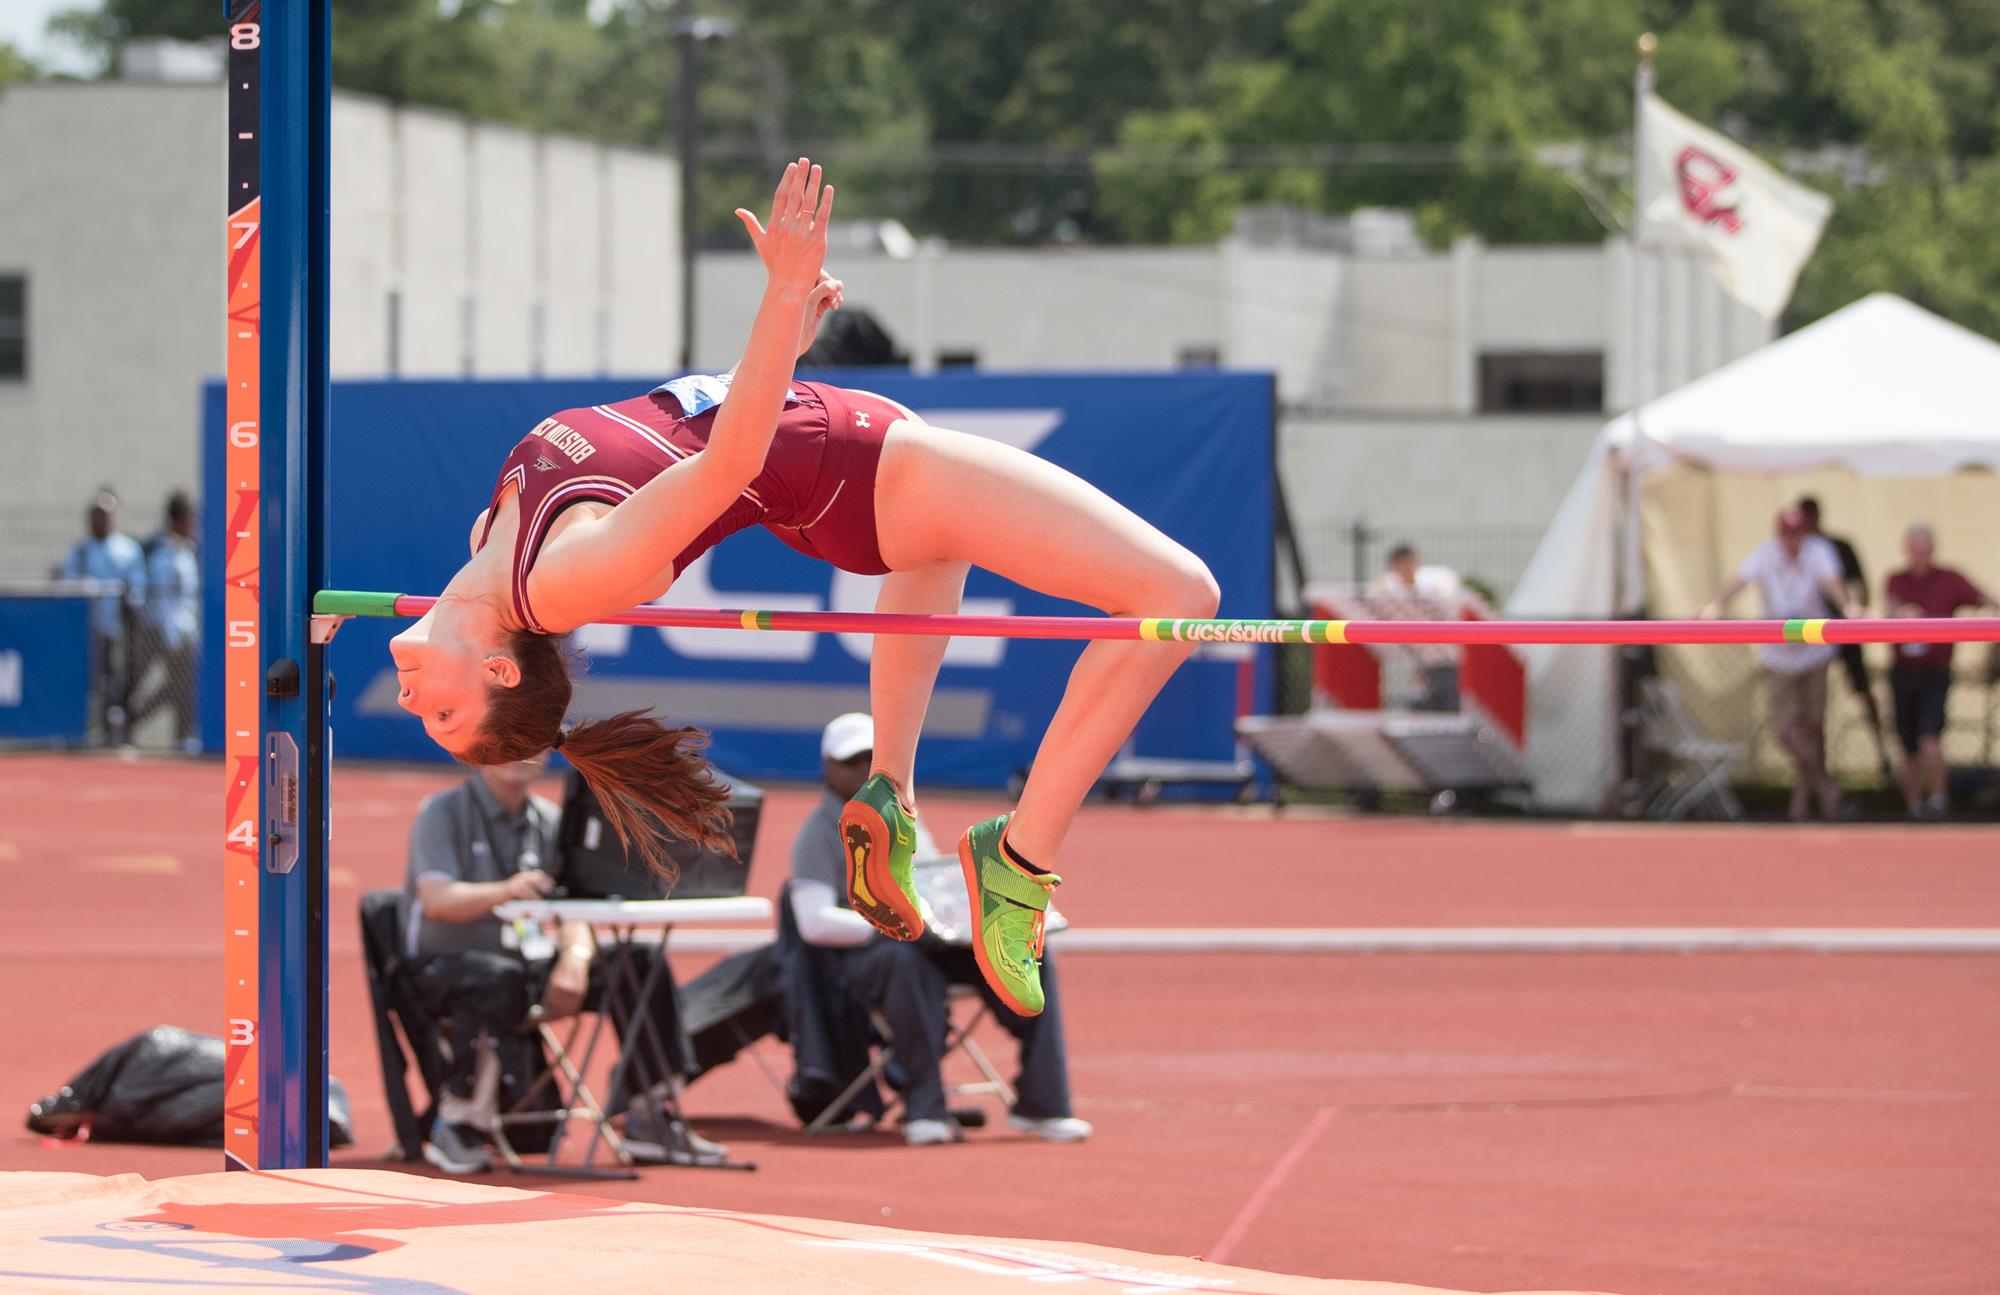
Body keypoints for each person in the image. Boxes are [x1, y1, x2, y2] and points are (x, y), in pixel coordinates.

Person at [386, 159, 1218, 1018]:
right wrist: (779, 299)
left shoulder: (487, 542)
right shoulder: (559, 583)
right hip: (854, 465)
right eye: (443, 715)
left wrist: (785, 339)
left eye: (429, 721)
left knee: (937, 554)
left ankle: (891, 789)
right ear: (499, 669)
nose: (416, 704)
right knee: (1180, 594)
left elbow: (680, 426)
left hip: (828, 473)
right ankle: (1022, 859)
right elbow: (726, 464)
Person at [403, 756, 721, 1173]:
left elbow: (576, 908)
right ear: (479, 753)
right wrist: (507, 890)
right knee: (496, 977)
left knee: (638, 962)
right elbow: (438, 901)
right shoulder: (442, 812)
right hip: (441, 968)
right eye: (504, 745)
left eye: (528, 744)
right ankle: (461, 1123)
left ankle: (649, 1111)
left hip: (523, 965)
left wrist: (573, 960)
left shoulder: (551, 821)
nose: (517, 755)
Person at [790, 713, 1089, 1146]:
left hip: (932, 940)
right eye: (852, 761)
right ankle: (925, 1108)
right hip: (864, 959)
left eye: (873, 759)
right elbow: (813, 923)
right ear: (827, 766)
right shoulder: (816, 834)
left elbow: (933, 882)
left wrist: (970, 918)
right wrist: (891, 921)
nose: (863, 770)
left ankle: (1043, 1104)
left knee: (1028, 951)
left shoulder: (906, 814)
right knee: (906, 963)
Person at [1701, 507, 1860, 820]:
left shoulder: (1819, 551)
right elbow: (1740, 580)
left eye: (1797, 534)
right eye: (1787, 534)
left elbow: (1832, 582)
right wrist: (1716, 605)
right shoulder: (1765, 554)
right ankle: (1825, 786)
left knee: (1813, 729)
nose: (1792, 541)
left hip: (1814, 652)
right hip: (1779, 654)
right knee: (1784, 732)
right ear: (1779, 534)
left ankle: (1805, 797)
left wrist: (1847, 606)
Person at [1883, 525, 1995, 819]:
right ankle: (1913, 807)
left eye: (1925, 550)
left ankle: (1939, 801)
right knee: (1907, 744)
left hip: (1934, 671)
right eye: (1914, 550)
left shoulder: (1949, 579)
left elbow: (1984, 599)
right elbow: (1891, 606)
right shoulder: (1897, 580)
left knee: (1928, 737)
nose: (1920, 557)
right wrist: (1901, 614)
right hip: (1903, 671)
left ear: (1932, 551)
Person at [1798, 496, 1891, 778]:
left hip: (1842, 629)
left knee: (1863, 691)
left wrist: (1855, 616)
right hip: (1811, 635)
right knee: (1814, 707)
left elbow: (1860, 586)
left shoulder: (1838, 546)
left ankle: (1883, 752)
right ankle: (1818, 769)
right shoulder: (1796, 549)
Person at [59, 489, 146, 746]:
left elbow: (138, 589)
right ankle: (84, 732)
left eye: (105, 514)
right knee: (88, 682)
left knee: (117, 682)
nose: (101, 520)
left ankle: (116, 734)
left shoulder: (126, 550)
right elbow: (68, 585)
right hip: (85, 631)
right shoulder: (81, 551)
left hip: (117, 628)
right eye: (96, 514)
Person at [133, 491, 201, 752]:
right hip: (165, 631)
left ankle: (182, 735)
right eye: (189, 518)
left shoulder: (189, 550)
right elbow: (165, 601)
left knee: (181, 687)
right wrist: (171, 635)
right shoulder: (164, 554)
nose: (193, 523)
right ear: (178, 519)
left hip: (185, 631)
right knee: (170, 685)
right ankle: (128, 721)